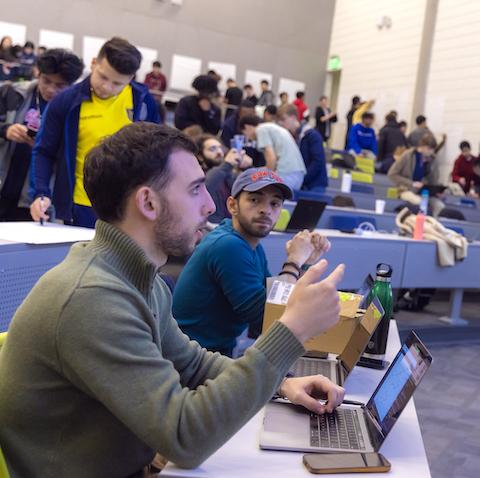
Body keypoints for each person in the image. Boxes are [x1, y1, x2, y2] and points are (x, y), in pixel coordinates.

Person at [0, 122, 346, 476]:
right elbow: (185, 437)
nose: (211, 205)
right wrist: (292, 331)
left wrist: (284, 383)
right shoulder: (92, 299)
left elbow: (193, 364)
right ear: (149, 202)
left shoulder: (140, 278)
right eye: (196, 189)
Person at [173, 166, 331, 356]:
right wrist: (294, 261)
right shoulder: (228, 246)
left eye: (275, 203)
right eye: (255, 200)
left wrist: (304, 263)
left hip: (213, 352)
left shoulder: (252, 246)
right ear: (232, 205)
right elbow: (267, 320)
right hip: (192, 360)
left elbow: (277, 304)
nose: (266, 210)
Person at [29, 37, 161, 228]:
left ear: (130, 79)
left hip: (127, 209)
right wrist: (41, 193)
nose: (107, 87)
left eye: (117, 83)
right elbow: (44, 151)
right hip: (80, 206)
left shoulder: (143, 102)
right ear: (93, 64)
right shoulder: (66, 101)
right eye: (103, 77)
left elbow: (156, 152)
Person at [0, 49, 83, 221]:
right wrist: (6, 130)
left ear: (72, 85)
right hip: (4, 182)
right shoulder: (11, 93)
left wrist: (47, 145)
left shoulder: (74, 111)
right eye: (46, 81)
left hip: (33, 200)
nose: (51, 89)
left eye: (60, 86)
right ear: (38, 72)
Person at [238, 114, 306, 190]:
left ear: (247, 127)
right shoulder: (270, 127)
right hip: (297, 174)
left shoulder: (260, 130)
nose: (248, 138)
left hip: (286, 174)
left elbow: (271, 158)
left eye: (244, 134)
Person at [388, 134, 444, 216]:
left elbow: (433, 180)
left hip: (424, 192)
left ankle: (433, 225)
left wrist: (437, 190)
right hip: (406, 190)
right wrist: (412, 183)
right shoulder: (407, 155)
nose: (431, 152)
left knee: (439, 206)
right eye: (429, 149)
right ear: (422, 146)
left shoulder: (431, 159)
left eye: (432, 150)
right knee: (421, 203)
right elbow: (392, 174)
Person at [280, 104, 328, 191]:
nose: (282, 124)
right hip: (300, 183)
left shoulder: (312, 135)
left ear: (293, 117)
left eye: (284, 119)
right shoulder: (290, 137)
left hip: (315, 185)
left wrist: (301, 179)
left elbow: (317, 162)